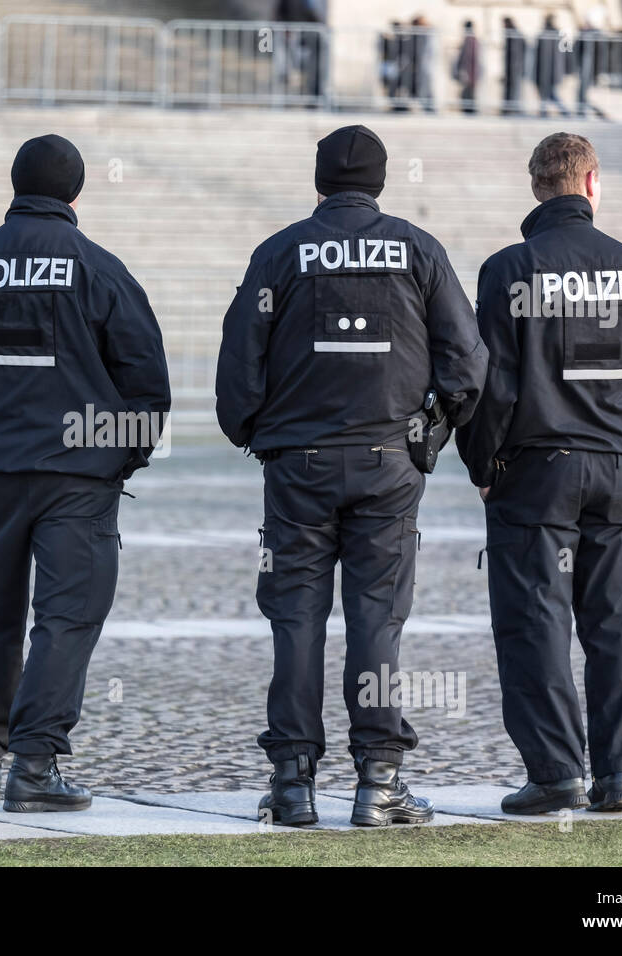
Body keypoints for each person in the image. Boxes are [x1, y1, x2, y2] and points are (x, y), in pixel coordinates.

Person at [215, 126, 488, 827]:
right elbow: (467, 362)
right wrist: (428, 436)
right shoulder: (417, 248)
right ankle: (379, 781)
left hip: (298, 464)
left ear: (318, 183)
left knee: (295, 620)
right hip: (387, 463)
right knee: (377, 621)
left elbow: (238, 361)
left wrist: (252, 430)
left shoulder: (279, 252)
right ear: (380, 183)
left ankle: (293, 782)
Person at [0, 134, 171, 813]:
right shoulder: (100, 269)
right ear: (75, 194)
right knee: (67, 617)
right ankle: (35, 765)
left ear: (16, 185)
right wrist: (119, 458)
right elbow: (148, 380)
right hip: (79, 475)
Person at [456, 133, 622, 814]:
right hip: (613, 470)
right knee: (614, 626)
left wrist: (484, 466)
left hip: (535, 471)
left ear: (536, 187)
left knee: (536, 623)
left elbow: (489, 387)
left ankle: (556, 771)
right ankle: (617, 774)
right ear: (592, 185)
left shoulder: (509, 270)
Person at [536, 15, 571, 117]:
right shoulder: (556, 35)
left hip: (549, 69)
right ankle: (545, 111)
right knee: (547, 92)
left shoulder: (549, 34)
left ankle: (562, 111)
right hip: (551, 69)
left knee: (550, 92)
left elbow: (568, 53)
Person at [501, 17, 526, 115]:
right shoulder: (511, 33)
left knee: (514, 88)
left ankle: (513, 109)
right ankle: (508, 108)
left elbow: (515, 53)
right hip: (512, 66)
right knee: (511, 88)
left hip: (514, 67)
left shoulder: (514, 34)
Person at [454, 20, 480, 114]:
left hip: (470, 71)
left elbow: (468, 57)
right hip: (470, 71)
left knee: (468, 92)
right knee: (468, 92)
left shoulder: (470, 40)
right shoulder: (472, 40)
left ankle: (469, 110)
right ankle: (469, 109)